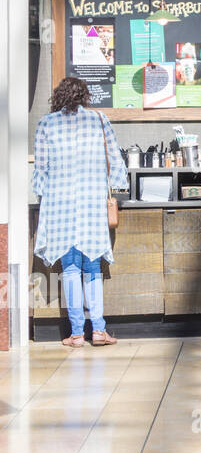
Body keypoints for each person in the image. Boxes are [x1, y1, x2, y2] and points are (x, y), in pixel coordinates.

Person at [32, 77, 129, 347]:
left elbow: (40, 170)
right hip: (93, 205)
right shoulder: (99, 120)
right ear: (85, 96)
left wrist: (41, 191)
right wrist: (120, 189)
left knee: (71, 268)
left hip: (59, 205)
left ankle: (76, 334)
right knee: (93, 267)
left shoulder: (46, 124)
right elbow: (116, 163)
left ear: (59, 97)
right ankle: (98, 330)